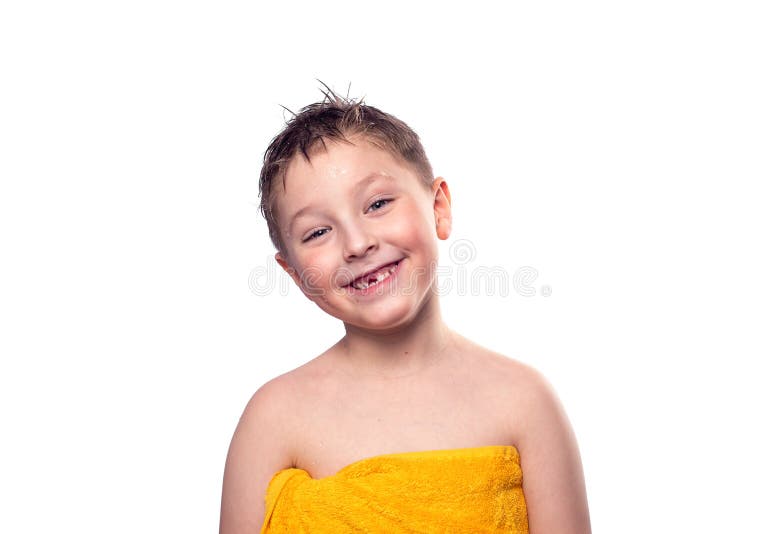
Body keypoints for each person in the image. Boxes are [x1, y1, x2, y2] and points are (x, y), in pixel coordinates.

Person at [219, 89, 591, 533]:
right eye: (318, 232)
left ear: (439, 208)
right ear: (296, 274)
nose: (358, 244)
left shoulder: (525, 401)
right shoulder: (272, 418)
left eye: (377, 204)